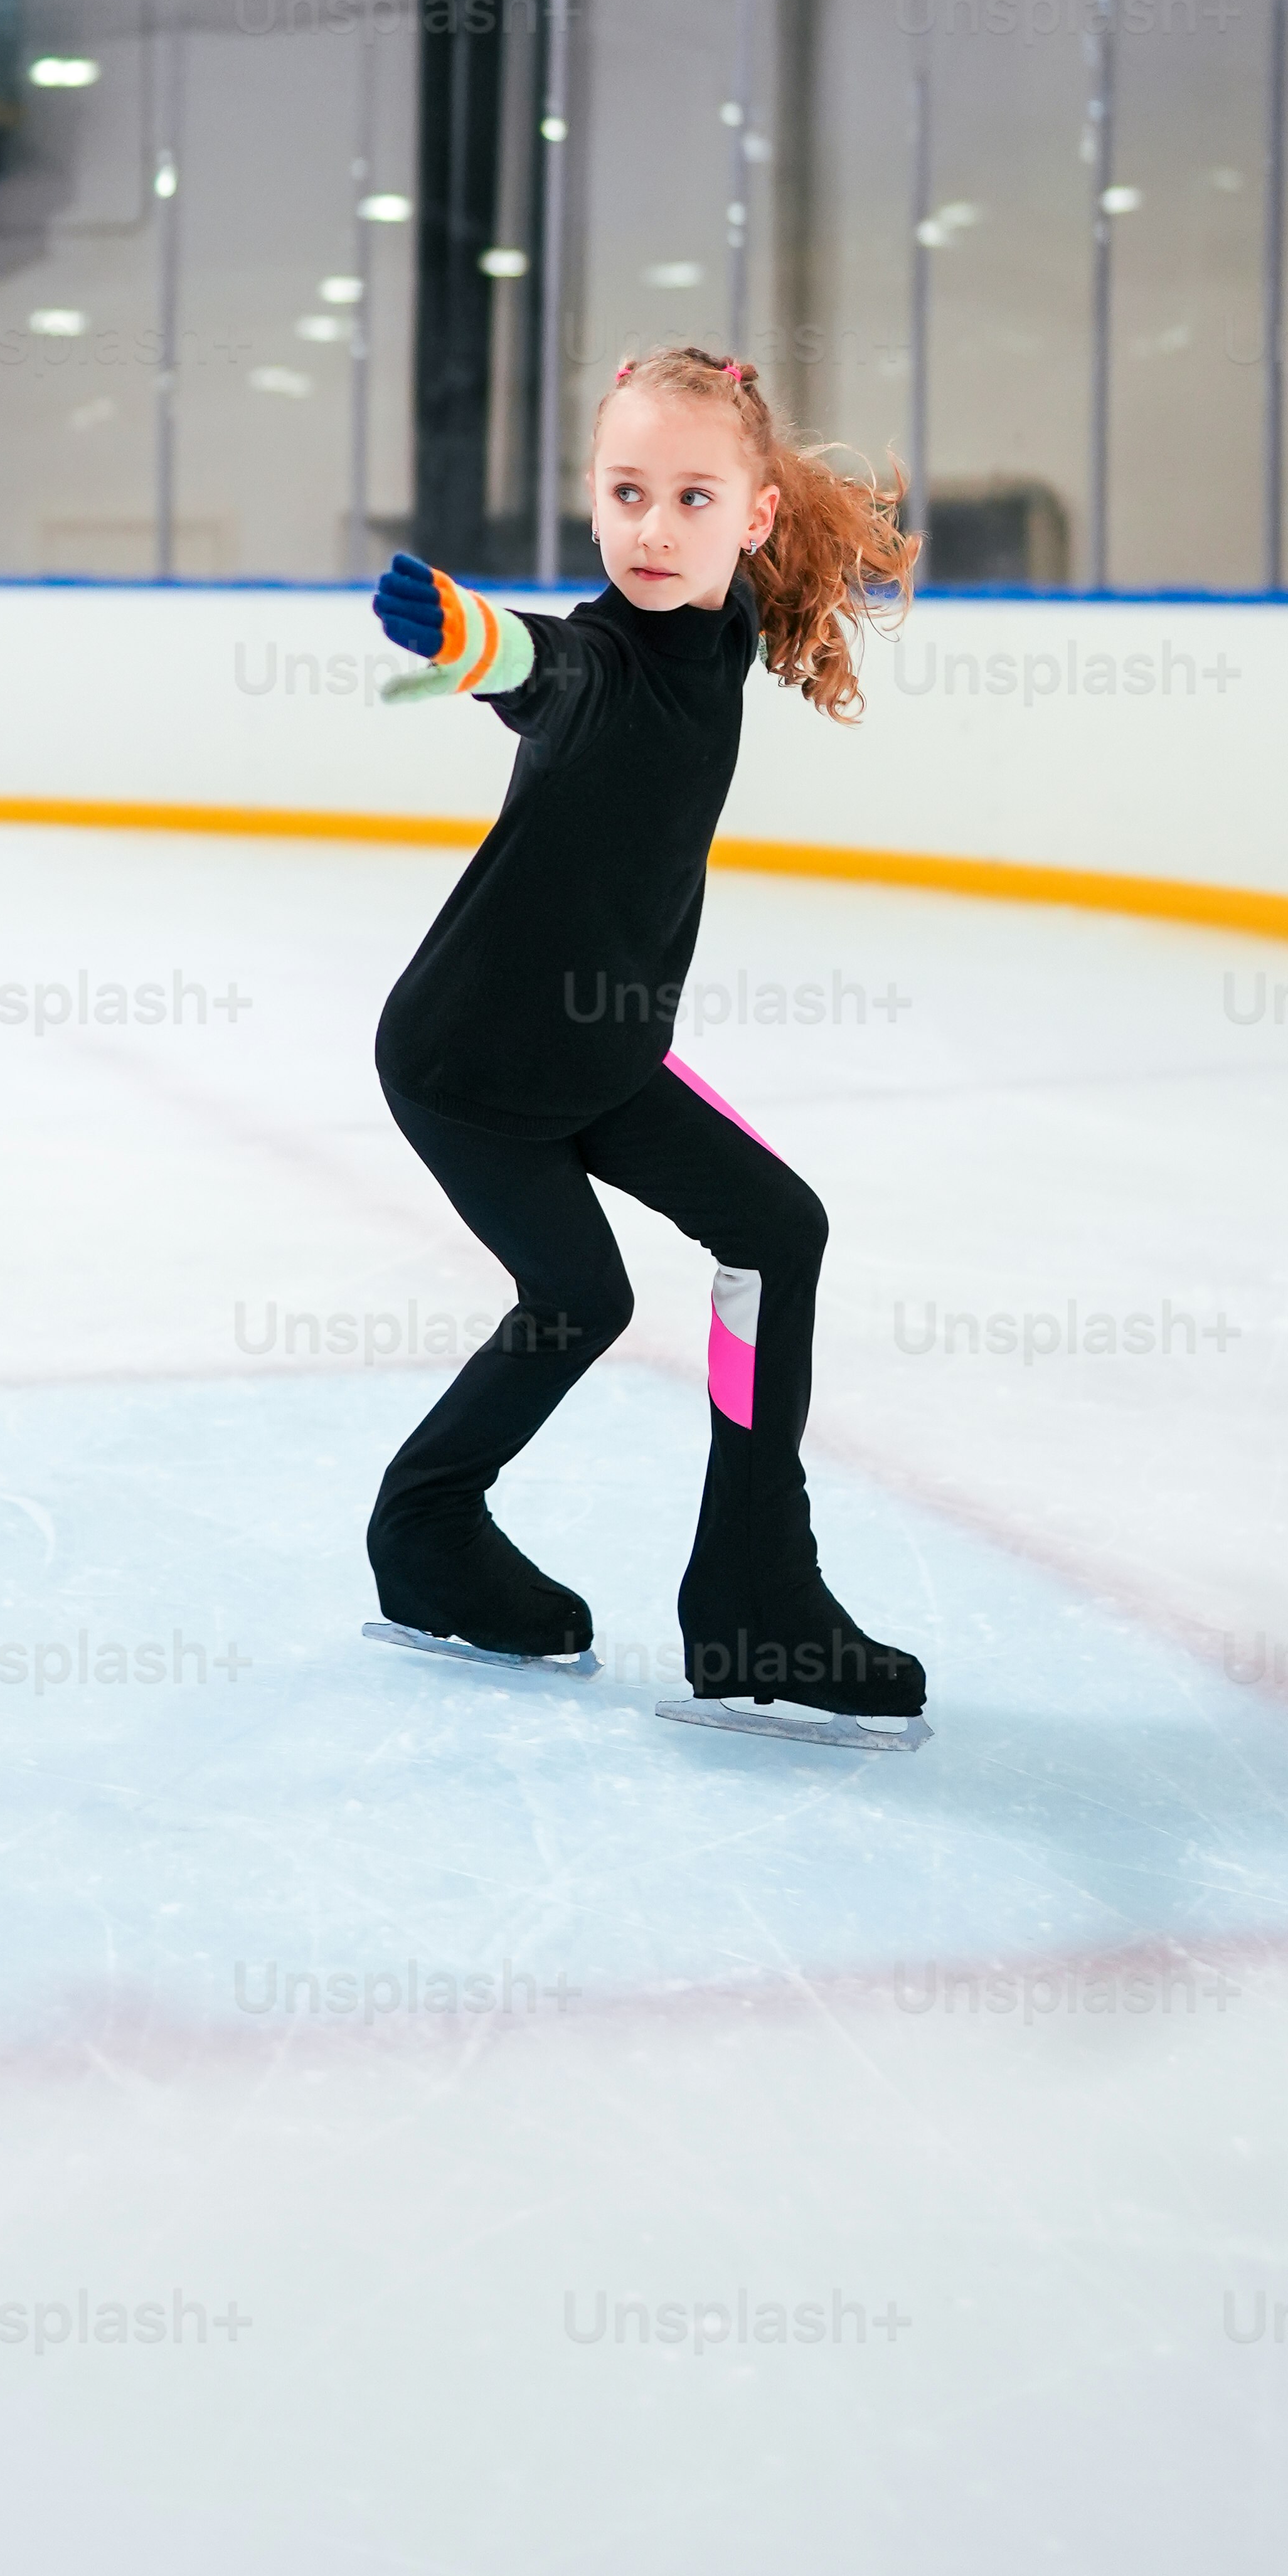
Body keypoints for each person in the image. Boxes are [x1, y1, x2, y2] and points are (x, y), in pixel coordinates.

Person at [364, 341, 927, 1721]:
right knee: (580, 1299)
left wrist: (509, 660)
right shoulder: (609, 652)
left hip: (597, 1056)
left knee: (774, 1233)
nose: (649, 529)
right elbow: (560, 674)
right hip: (470, 1065)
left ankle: (751, 1592)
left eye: (689, 497)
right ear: (588, 497)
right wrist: (476, 643)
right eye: (623, 493)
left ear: (757, 515)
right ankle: (425, 1530)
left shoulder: (715, 628)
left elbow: (610, 668)